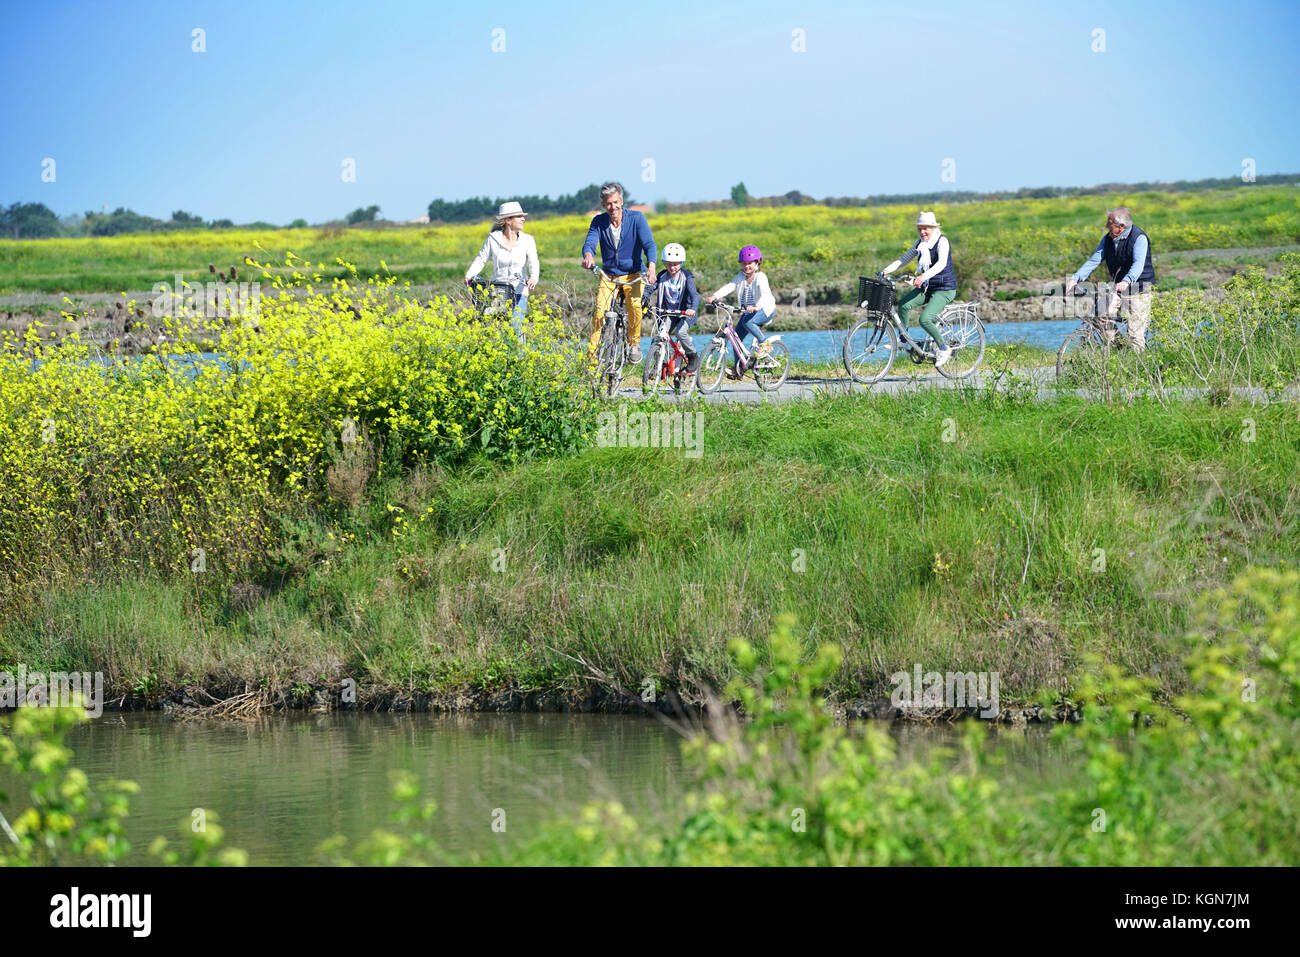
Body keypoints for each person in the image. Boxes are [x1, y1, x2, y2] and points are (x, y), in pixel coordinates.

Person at [581, 183, 657, 363]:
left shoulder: (637, 218)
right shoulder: (598, 221)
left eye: (616, 202)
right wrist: (588, 256)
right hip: (609, 275)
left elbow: (649, 245)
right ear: (603, 205)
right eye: (608, 203)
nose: (613, 207)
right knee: (600, 311)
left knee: (635, 306)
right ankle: (591, 359)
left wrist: (652, 268)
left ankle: (634, 344)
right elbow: (590, 243)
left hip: (634, 274)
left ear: (621, 201)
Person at [1064, 207, 1155, 352]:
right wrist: (1075, 278)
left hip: (1139, 289)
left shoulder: (1139, 238)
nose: (1106, 226)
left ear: (1121, 227)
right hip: (1118, 287)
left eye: (1109, 223)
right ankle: (1118, 351)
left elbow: (1138, 264)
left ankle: (1138, 366)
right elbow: (1094, 260)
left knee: (1135, 335)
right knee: (1099, 316)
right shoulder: (1107, 239)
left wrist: (1127, 281)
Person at [880, 211, 956, 368]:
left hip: (944, 288)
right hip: (928, 287)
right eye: (919, 229)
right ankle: (903, 339)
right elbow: (904, 259)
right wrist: (887, 270)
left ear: (934, 228)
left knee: (925, 319)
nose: (922, 232)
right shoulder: (920, 244)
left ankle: (943, 348)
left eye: (926, 228)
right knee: (904, 304)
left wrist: (923, 276)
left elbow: (941, 264)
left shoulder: (942, 242)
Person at [464, 200, 538, 339]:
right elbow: (481, 259)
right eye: (519, 216)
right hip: (499, 291)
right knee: (501, 328)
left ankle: (520, 358)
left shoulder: (528, 240)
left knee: (516, 328)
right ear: (508, 220)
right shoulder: (493, 239)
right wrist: (470, 275)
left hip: (520, 291)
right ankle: (503, 358)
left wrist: (533, 277)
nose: (523, 219)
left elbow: (534, 262)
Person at [705, 245, 776, 378]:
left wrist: (756, 307)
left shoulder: (761, 277)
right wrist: (715, 296)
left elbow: (765, 295)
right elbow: (730, 286)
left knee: (749, 323)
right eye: (744, 264)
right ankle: (739, 368)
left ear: (757, 263)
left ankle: (765, 345)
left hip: (765, 309)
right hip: (748, 311)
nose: (746, 266)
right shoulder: (741, 276)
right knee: (736, 338)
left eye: (750, 263)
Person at [643, 242, 702, 373]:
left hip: (686, 313)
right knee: (660, 335)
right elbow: (651, 288)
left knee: (680, 332)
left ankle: (693, 357)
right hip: (669, 313)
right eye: (669, 264)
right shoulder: (662, 276)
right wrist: (644, 298)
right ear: (665, 263)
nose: (672, 267)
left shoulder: (687, 277)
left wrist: (692, 308)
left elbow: (694, 295)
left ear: (681, 263)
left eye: (675, 264)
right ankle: (657, 365)